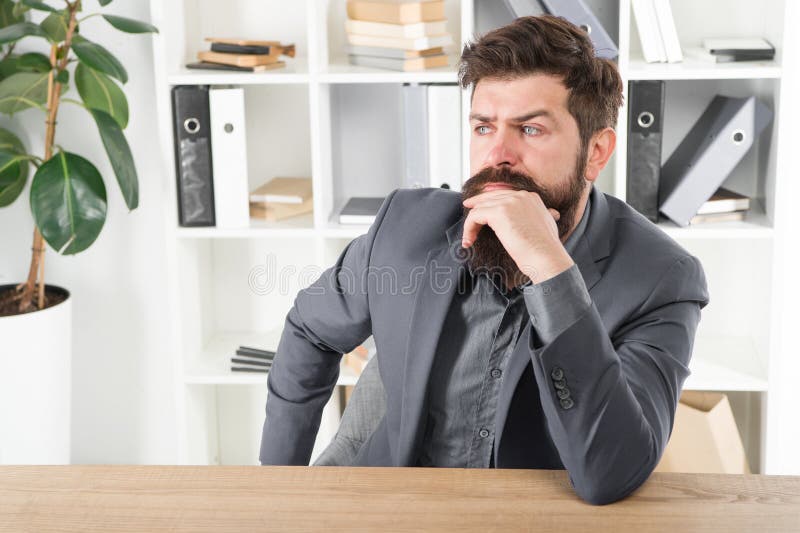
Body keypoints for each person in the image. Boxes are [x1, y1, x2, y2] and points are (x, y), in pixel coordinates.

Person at [259, 15, 709, 505]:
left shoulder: (661, 279)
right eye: (483, 127)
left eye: (530, 129)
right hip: (395, 502)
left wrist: (550, 270)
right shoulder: (406, 227)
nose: (498, 154)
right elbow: (310, 331)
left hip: (531, 516)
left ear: (596, 152)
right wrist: (278, 482)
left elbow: (611, 474)